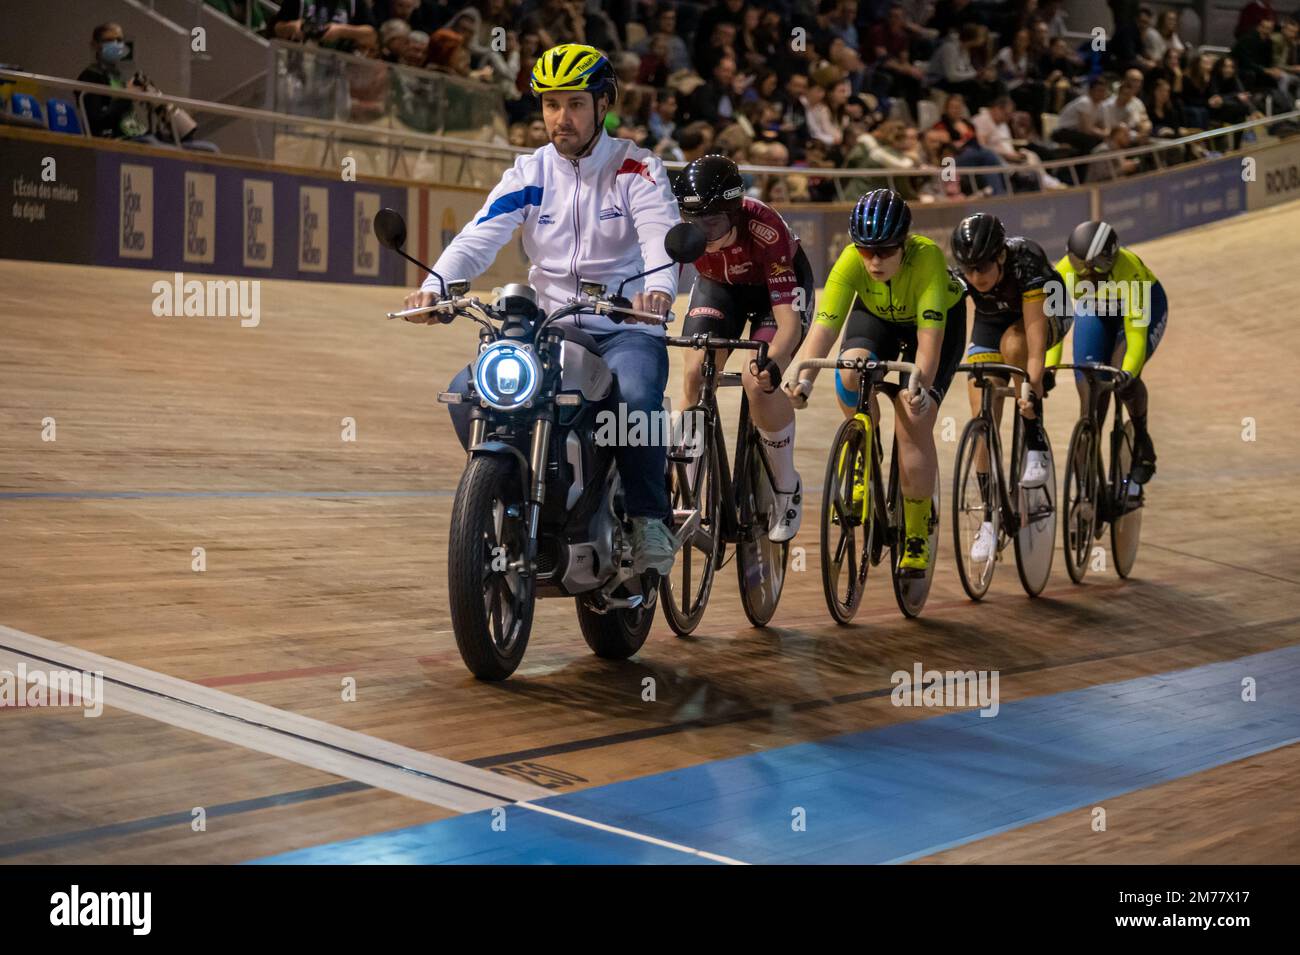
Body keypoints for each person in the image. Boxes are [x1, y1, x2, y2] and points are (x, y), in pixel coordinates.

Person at [400, 43, 682, 574]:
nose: (561, 118)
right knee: (468, 392)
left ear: (602, 105)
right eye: (551, 105)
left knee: (639, 400)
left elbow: (661, 238)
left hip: (625, 324)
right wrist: (436, 286)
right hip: (548, 328)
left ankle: (648, 519)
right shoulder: (530, 172)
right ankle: (514, 489)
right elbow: (478, 236)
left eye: (574, 104)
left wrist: (659, 291)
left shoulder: (637, 167)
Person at [786, 190, 968, 573]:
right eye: (866, 250)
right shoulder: (851, 261)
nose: (874, 260)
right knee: (849, 369)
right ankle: (862, 449)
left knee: (913, 418)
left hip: (934, 324)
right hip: (878, 318)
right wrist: (803, 378)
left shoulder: (928, 260)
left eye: (884, 250)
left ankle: (917, 530)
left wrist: (920, 387)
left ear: (903, 244)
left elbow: (930, 343)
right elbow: (826, 327)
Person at [673, 156, 813, 542]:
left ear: (735, 213)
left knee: (757, 381)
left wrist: (775, 365)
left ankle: (786, 486)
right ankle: (682, 492)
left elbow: (787, 324)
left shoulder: (765, 231)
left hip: (773, 293)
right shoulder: (684, 230)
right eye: (693, 221)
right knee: (694, 372)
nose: (703, 234)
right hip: (719, 287)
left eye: (713, 222)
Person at [949, 213, 1069, 563]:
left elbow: (1033, 338)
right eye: (968, 270)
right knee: (981, 412)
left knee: (1015, 347)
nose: (975, 277)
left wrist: (1030, 385)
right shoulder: (965, 276)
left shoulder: (1025, 262)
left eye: (982, 268)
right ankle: (989, 516)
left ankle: (1035, 440)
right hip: (992, 319)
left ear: (1000, 256)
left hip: (1046, 311)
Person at [1049, 221, 1166, 484]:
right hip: (1097, 312)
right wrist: (1049, 367)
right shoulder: (1062, 273)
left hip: (1138, 311)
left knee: (1122, 378)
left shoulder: (1130, 270)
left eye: (1097, 272)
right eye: (1083, 272)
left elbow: (1135, 335)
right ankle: (1087, 493)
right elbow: (1055, 329)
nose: (1088, 277)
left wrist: (1128, 372)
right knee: (1090, 400)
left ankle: (1142, 440)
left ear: (1111, 261)